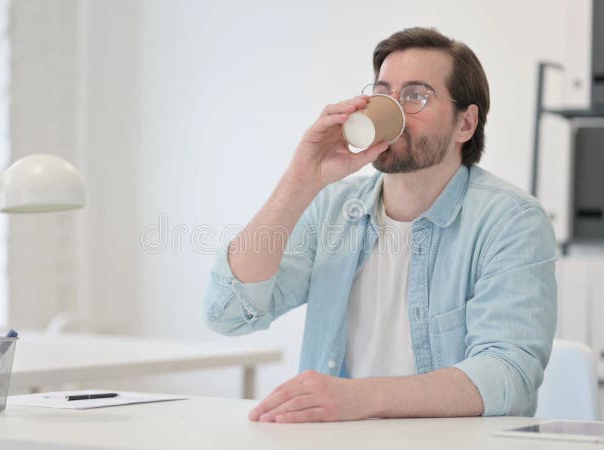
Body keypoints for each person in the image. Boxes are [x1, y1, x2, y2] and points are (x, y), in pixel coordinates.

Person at [203, 27, 557, 423]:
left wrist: (360, 398)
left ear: (466, 124)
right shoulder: (335, 208)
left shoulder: (510, 221)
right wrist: (300, 180)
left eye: (416, 95)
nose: (394, 109)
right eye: (384, 93)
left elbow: (508, 373)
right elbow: (229, 313)